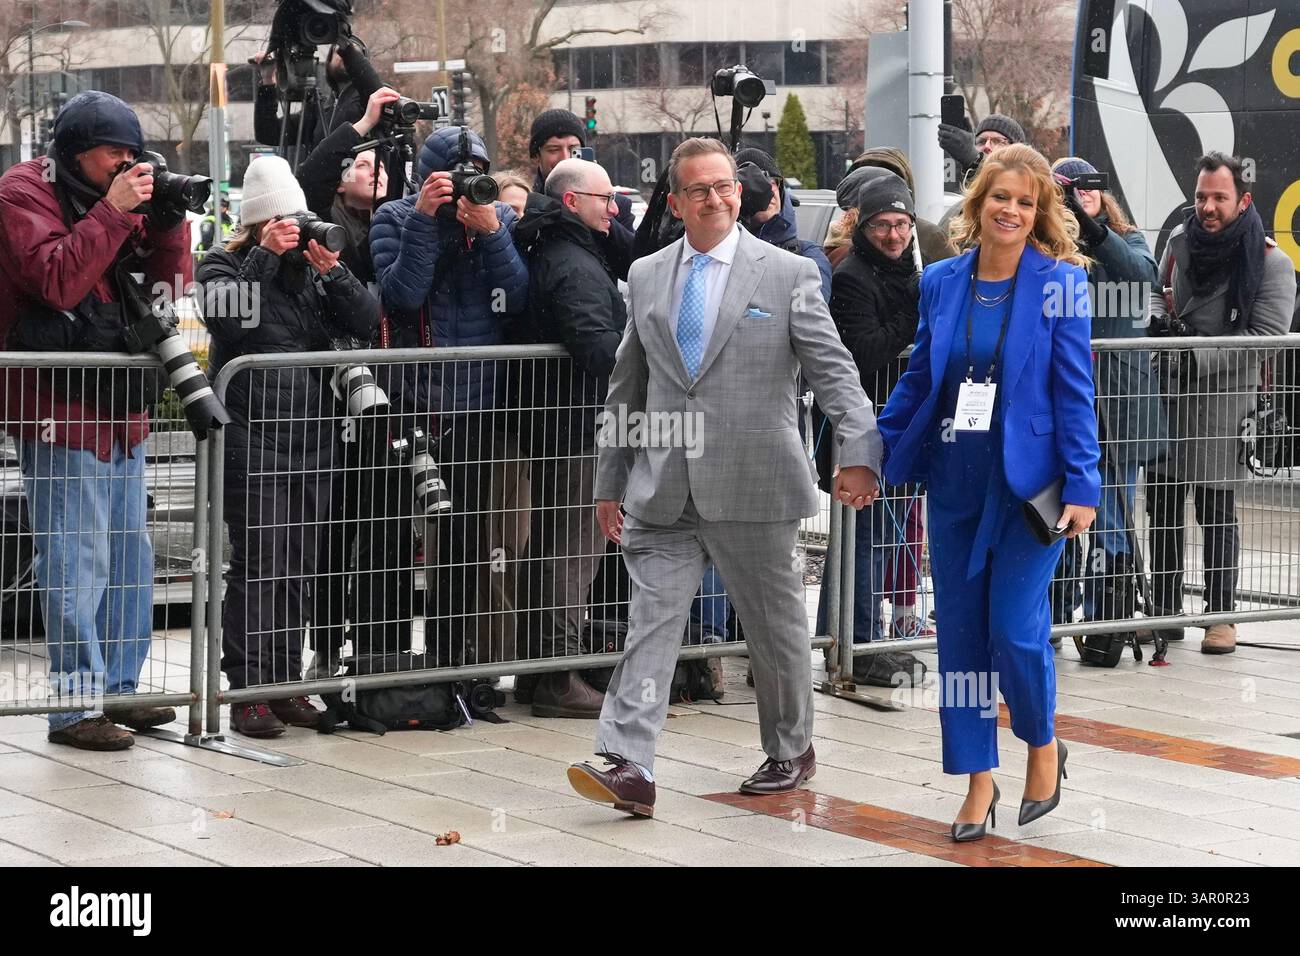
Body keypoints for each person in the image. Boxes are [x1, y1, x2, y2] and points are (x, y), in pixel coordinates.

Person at [566, 137, 882, 818]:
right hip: (664, 487)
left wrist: (858, 446)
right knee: (650, 624)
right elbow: (629, 385)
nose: (715, 198)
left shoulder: (787, 273)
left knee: (775, 631)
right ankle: (629, 761)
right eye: (699, 190)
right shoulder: (647, 274)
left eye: (725, 186)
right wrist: (608, 478)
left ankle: (790, 747)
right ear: (675, 202)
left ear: (739, 193)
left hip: (756, 483)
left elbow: (832, 369)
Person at [878, 143, 1100, 841]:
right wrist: (870, 449)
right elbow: (920, 381)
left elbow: (1075, 392)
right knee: (962, 639)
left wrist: (1085, 485)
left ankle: (1040, 743)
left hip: (1033, 490)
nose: (1011, 210)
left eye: (1026, 202)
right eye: (1000, 197)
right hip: (955, 481)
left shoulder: (1063, 281)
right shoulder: (942, 280)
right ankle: (977, 780)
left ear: (1040, 215)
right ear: (979, 204)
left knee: (1014, 629)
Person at [0, 91, 190, 750]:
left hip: (119, 398)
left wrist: (166, 223)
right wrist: (113, 213)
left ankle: (119, 690)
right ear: (76, 149)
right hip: (57, 403)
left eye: (135, 156)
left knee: (130, 556)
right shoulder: (22, 194)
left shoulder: (120, 199)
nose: (127, 165)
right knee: (75, 557)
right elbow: (56, 280)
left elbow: (167, 288)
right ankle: (75, 707)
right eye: (116, 153)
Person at [198, 156, 381, 737]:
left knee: (300, 566)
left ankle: (285, 684)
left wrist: (333, 270)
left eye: (297, 218)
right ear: (257, 221)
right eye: (281, 219)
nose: (294, 228)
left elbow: (369, 317)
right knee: (258, 566)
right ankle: (248, 690)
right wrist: (266, 257)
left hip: (314, 440)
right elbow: (232, 323)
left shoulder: (308, 268)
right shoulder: (221, 265)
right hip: (253, 439)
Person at [370, 125, 530, 669]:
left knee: (466, 540)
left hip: (480, 404)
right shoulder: (395, 216)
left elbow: (517, 299)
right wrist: (423, 219)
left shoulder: (498, 218)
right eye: (456, 176)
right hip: (415, 401)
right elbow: (400, 295)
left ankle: (452, 660)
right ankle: (384, 660)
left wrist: (492, 233)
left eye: (476, 175)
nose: (467, 185)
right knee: (391, 536)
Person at [1144, 152, 1295, 654]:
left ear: (1243, 200)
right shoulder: (1178, 240)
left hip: (1224, 401)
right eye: (1201, 197)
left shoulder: (1272, 261)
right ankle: (1163, 610)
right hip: (1169, 394)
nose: (1208, 207)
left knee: (1216, 511)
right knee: (1162, 508)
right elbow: (1151, 292)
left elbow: (1266, 337)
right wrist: (1159, 329)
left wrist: (1193, 356)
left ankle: (1221, 616)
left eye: (1219, 198)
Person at [511, 158, 627, 717]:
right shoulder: (574, 262)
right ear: (572, 202)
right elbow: (594, 345)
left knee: (554, 549)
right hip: (578, 424)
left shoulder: (559, 251)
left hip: (564, 420)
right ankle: (558, 674)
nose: (615, 208)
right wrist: (643, 349)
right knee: (572, 551)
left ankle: (542, 674)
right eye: (605, 198)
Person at [816, 172, 931, 688]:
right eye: (883, 225)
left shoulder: (911, 271)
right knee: (861, 542)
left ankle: (851, 639)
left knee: (877, 541)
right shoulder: (853, 277)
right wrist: (916, 321)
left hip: (901, 427)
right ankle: (854, 645)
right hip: (864, 430)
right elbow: (866, 351)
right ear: (863, 227)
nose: (894, 236)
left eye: (902, 224)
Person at [1048, 157, 1163, 647]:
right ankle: (1051, 618)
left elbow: (1140, 276)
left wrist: (1093, 231)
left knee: (1113, 519)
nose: (1079, 198)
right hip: (1064, 407)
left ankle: (1105, 627)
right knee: (1058, 514)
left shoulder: (1127, 240)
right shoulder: (1049, 247)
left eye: (1088, 190)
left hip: (1121, 404)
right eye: (1067, 192)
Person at [295, 85, 402, 286]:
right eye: (362, 165)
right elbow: (311, 177)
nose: (374, 171)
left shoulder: (398, 216)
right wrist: (366, 122)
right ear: (339, 183)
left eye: (379, 166)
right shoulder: (329, 221)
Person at [527, 108, 635, 277]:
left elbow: (631, 268)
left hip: (597, 298)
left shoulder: (615, 206)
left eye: (573, 149)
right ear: (536, 157)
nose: (565, 157)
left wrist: (600, 211)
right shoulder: (525, 204)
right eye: (554, 150)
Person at [253, 35, 383, 163]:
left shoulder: (372, 100)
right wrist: (267, 81)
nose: (344, 55)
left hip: (362, 181)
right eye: (338, 51)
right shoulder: (320, 109)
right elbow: (268, 133)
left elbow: (375, 92)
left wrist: (344, 44)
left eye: (353, 53)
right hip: (326, 183)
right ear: (328, 62)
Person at [846, 147, 958, 265]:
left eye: (892, 183)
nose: (893, 236)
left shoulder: (929, 236)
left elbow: (953, 277)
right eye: (881, 225)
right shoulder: (842, 238)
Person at [937, 113, 1027, 186]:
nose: (986, 146)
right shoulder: (959, 186)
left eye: (998, 141)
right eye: (981, 141)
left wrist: (974, 160)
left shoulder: (1028, 184)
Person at [197, 194, 235, 259]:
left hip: (224, 253)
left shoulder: (228, 220)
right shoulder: (209, 220)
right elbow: (206, 241)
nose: (222, 207)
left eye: (224, 205)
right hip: (211, 255)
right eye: (220, 205)